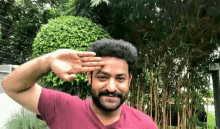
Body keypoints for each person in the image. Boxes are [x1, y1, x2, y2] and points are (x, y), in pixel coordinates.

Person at [2, 38, 158, 129]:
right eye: (102, 78)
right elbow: (11, 85)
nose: (111, 87)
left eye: (120, 78)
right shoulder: (62, 108)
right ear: (90, 77)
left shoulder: (144, 124)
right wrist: (48, 61)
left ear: (129, 80)